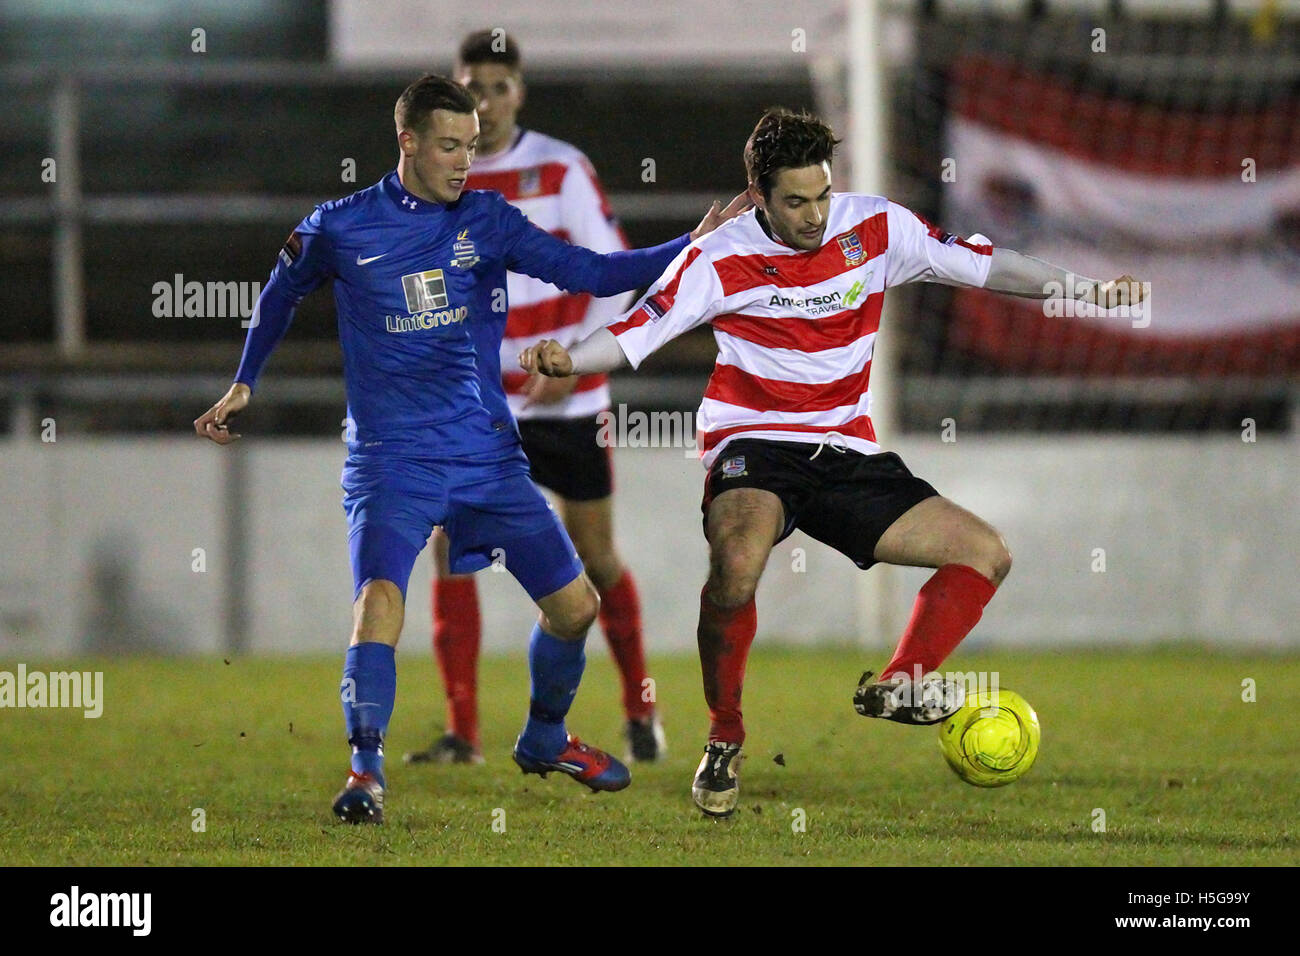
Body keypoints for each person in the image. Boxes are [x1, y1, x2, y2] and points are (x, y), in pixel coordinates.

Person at [520, 107, 1144, 817]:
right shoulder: (717, 256)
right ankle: (724, 737)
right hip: (754, 444)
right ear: (759, 196)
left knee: (984, 553)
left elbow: (983, 263)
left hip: (845, 448)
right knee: (738, 566)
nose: (814, 215)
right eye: (794, 201)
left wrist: (1082, 289)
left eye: (820, 195)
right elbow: (640, 330)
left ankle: (900, 682)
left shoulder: (876, 226)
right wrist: (573, 357)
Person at [193, 74, 742, 824]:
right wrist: (244, 381)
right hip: (391, 460)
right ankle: (365, 773)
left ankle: (545, 737)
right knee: (380, 602)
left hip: (486, 456)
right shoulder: (341, 227)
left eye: (472, 147)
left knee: (577, 606)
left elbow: (592, 272)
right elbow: (280, 292)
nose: (463, 162)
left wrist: (690, 245)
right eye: (450, 146)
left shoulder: (487, 221)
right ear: (408, 142)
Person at [405, 30, 663, 768]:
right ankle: (464, 733)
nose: (484, 101)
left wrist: (576, 366)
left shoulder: (559, 168)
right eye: (471, 87)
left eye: (497, 86)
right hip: (483, 408)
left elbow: (609, 273)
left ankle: (639, 710)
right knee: (452, 550)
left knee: (595, 557)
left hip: (567, 405)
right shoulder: (436, 183)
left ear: (519, 91)